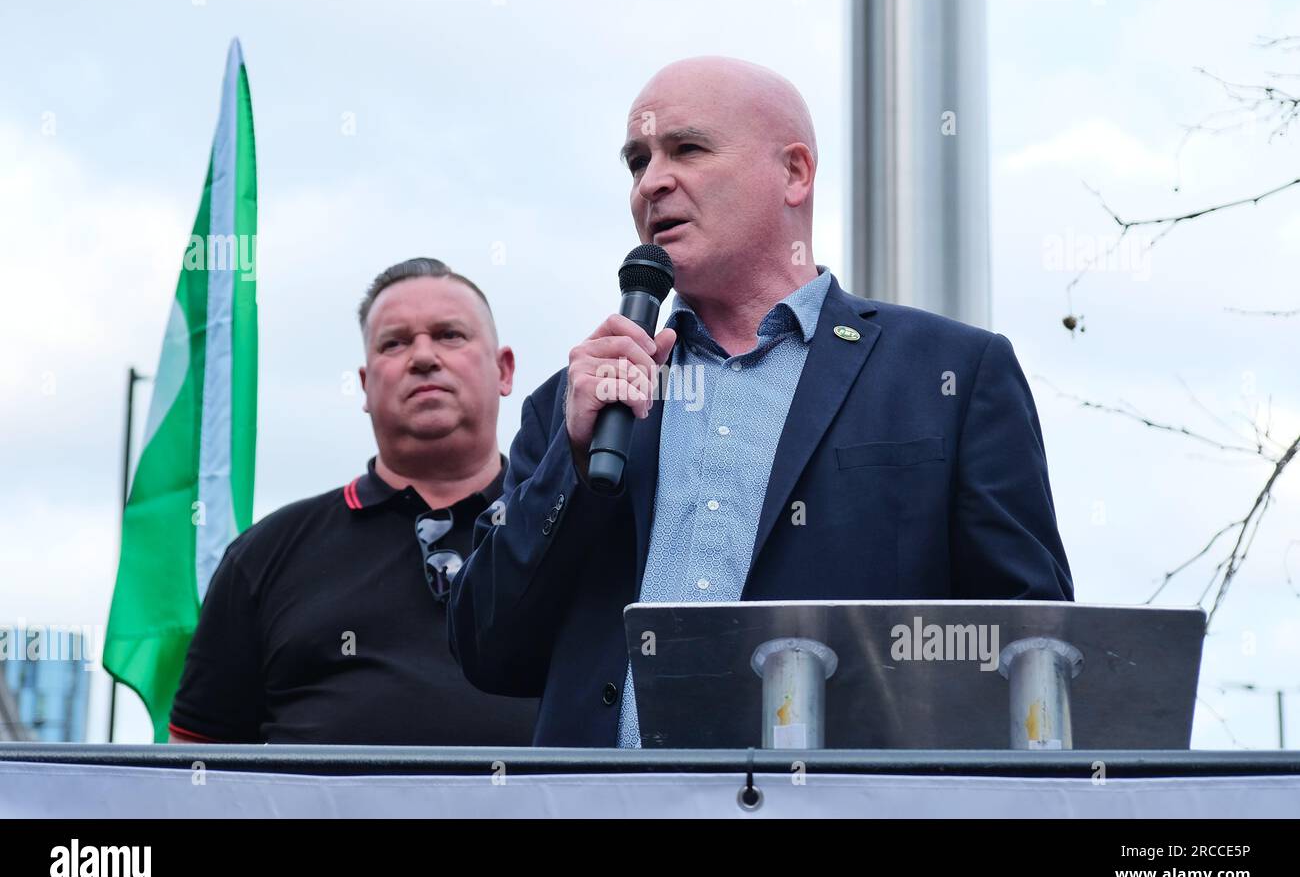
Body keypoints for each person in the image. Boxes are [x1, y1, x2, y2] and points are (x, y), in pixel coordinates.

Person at [450, 57, 1073, 748]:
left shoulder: (950, 375)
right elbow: (489, 651)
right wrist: (570, 468)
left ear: (794, 173)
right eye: (637, 161)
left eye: (687, 148)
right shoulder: (579, 402)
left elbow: (1032, 651)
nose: (652, 181)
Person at [169, 258, 537, 744]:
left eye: (450, 335)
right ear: (365, 385)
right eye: (395, 342)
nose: (423, 357)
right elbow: (194, 766)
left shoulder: (569, 533)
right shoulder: (265, 556)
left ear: (503, 369)